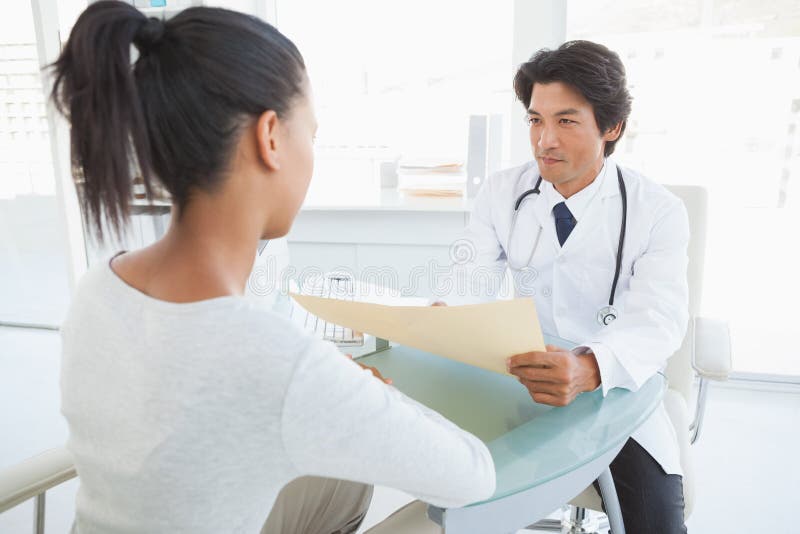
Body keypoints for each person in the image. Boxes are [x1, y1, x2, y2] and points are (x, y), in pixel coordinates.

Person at [52, 2, 495, 533]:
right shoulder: (277, 359)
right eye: (311, 132)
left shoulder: (98, 289)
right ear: (269, 138)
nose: (313, 153)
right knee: (439, 521)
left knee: (342, 483)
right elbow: (473, 475)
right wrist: (370, 395)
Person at [421, 40, 688, 533]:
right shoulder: (504, 192)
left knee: (657, 524)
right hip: (521, 384)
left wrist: (590, 367)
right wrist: (447, 314)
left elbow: (660, 318)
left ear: (612, 128)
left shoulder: (659, 212)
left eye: (566, 121)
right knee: (448, 505)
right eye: (535, 120)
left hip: (616, 391)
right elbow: (468, 278)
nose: (545, 140)